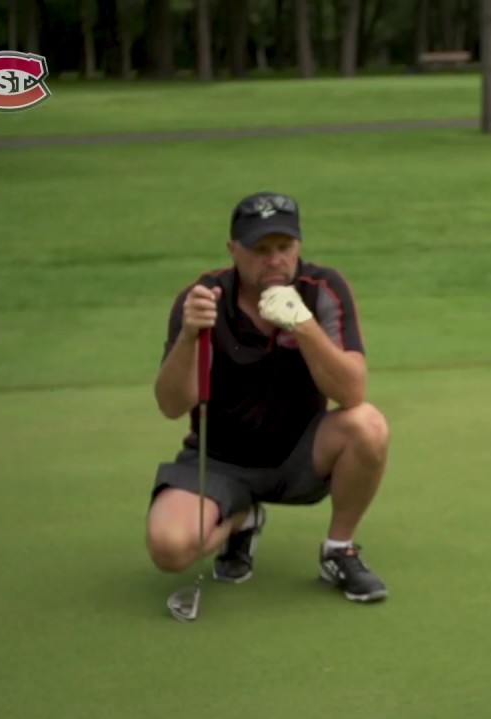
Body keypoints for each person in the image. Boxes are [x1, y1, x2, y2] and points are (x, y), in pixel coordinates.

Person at [146, 191, 391, 603]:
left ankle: (338, 550)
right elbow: (172, 405)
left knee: (367, 424)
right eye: (260, 249)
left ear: (298, 246)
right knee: (169, 549)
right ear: (233, 250)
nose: (274, 259)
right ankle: (242, 519)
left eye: (284, 247)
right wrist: (189, 337)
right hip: (218, 462)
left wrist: (303, 324)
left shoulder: (322, 289)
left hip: (300, 455)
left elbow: (351, 392)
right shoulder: (204, 300)